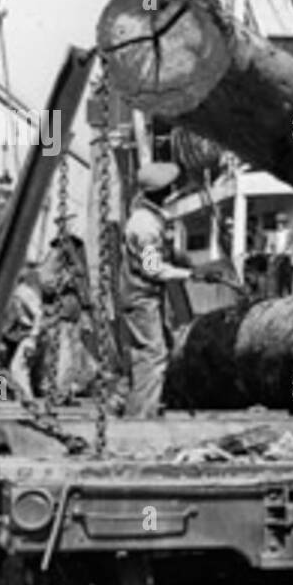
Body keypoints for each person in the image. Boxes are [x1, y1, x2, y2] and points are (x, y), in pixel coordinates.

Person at [120, 162, 192, 417]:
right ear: (162, 192)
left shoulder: (147, 218)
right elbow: (153, 269)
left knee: (148, 354)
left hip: (143, 296)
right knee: (153, 356)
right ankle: (141, 420)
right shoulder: (146, 226)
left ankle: (138, 411)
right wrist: (191, 274)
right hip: (142, 297)